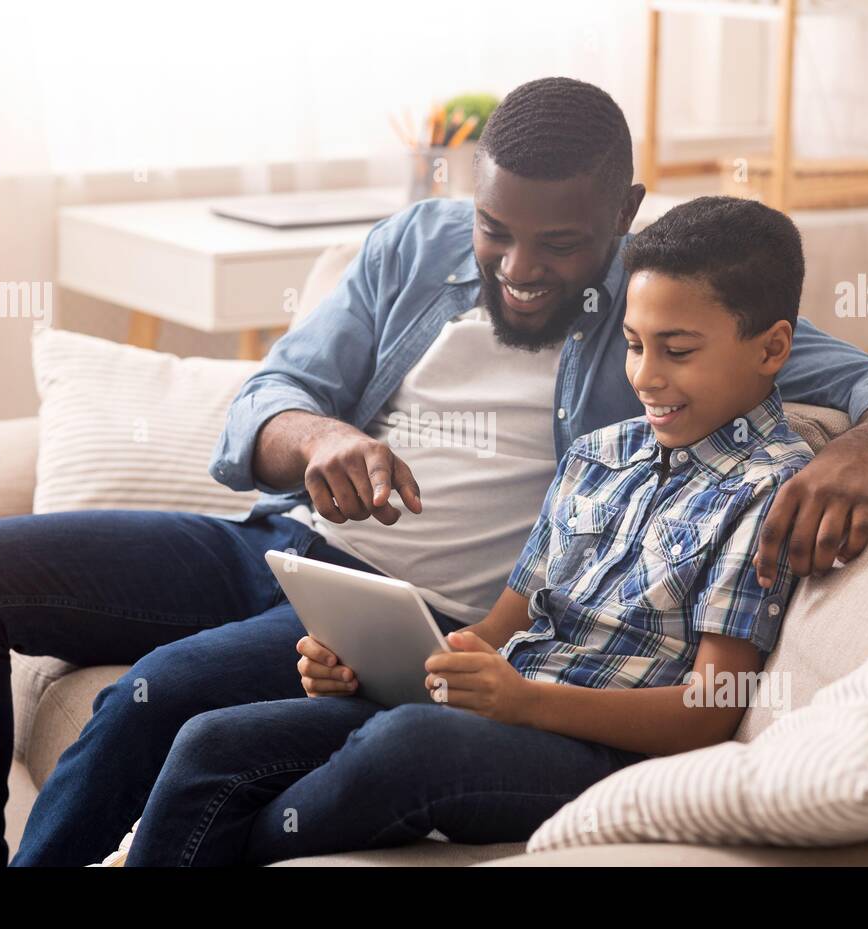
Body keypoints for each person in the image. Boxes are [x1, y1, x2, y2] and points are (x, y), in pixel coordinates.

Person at [0, 76, 868, 867]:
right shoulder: (414, 245)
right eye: (495, 229)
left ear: (622, 213)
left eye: (557, 244)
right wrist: (322, 440)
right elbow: (267, 399)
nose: (518, 268)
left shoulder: (671, 306)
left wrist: (857, 451)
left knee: (163, 696)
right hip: (284, 549)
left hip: (424, 608)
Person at [117, 194, 817, 865]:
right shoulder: (599, 455)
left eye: (678, 350)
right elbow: (499, 628)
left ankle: (192, 847)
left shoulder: (771, 491)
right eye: (634, 345)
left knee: (407, 744)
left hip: (601, 754)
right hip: (497, 713)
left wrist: (527, 703)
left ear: (771, 348)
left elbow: (710, 709)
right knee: (210, 740)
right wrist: (372, 665)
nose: (646, 377)